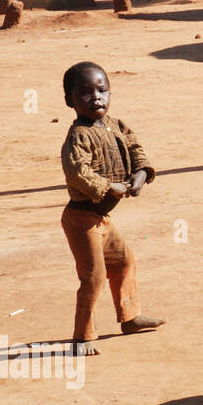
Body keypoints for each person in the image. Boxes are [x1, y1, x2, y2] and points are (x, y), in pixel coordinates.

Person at [60, 62, 166, 355]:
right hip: (81, 219)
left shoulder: (116, 125)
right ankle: (82, 337)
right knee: (92, 277)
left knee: (123, 262)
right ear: (70, 101)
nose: (96, 97)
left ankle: (130, 317)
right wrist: (110, 187)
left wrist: (141, 174)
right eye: (85, 93)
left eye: (102, 90)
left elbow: (136, 149)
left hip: (100, 218)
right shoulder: (77, 136)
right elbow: (78, 173)